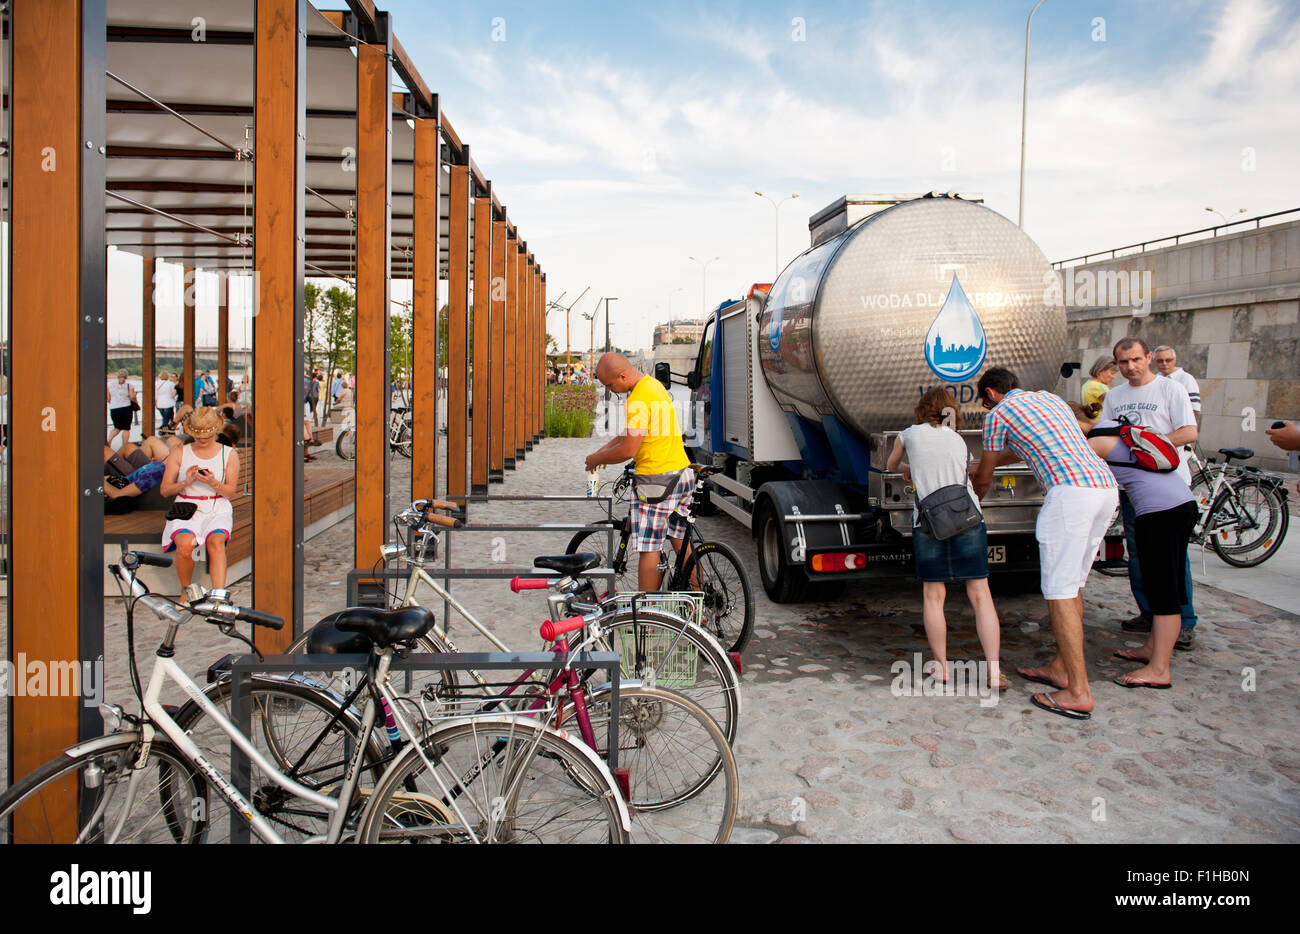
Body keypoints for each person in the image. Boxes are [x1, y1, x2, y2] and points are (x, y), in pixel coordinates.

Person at [970, 367, 1118, 721]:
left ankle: (1078, 692)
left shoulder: (999, 415)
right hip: (1103, 488)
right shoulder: (1050, 401)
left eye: (984, 401)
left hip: (1069, 495)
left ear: (990, 393)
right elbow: (1026, 450)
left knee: (1058, 591)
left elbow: (987, 473)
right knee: (1074, 586)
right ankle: (1060, 668)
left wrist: (974, 494)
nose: (986, 407)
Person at [1069, 401, 1195, 689]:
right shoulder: (1114, 429)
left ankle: (1159, 669)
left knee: (1163, 590)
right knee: (1164, 583)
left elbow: (1070, 470)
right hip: (1181, 504)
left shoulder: (1097, 442)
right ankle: (1153, 649)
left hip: (1159, 513)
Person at [886, 387, 1004, 690]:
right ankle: (993, 671)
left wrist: (909, 470)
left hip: (929, 523)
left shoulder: (908, 434)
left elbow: (890, 466)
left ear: (922, 408)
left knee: (934, 596)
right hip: (967, 518)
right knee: (981, 594)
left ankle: (942, 668)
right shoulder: (958, 438)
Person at [1101, 337, 1199, 650]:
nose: (1130, 367)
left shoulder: (1171, 389)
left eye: (1136, 360)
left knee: (1172, 559)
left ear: (1149, 357)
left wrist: (1149, 447)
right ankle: (1150, 613)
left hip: (1168, 486)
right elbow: (1108, 434)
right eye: (1123, 362)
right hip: (1133, 490)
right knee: (1139, 555)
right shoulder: (1114, 396)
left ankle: (1183, 621)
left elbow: (1189, 431)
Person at [584, 352, 693, 591]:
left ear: (622, 375)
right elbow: (632, 434)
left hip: (657, 481)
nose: (610, 390)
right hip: (682, 474)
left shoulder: (638, 398)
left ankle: (648, 616)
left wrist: (596, 458)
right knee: (680, 542)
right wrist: (604, 449)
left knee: (649, 548)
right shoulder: (653, 386)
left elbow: (629, 449)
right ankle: (702, 605)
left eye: (610, 384)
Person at [158, 407, 240, 603]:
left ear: (216, 432)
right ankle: (186, 592)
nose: (202, 439)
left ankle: (218, 595)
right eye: (197, 435)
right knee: (185, 546)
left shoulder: (228, 454)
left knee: (216, 542)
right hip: (187, 506)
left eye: (208, 435)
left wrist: (213, 482)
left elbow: (230, 492)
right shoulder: (180, 453)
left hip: (216, 505)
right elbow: (165, 490)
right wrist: (185, 482)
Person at [103, 436, 172, 505]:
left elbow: (117, 495)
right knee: (128, 447)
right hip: (146, 470)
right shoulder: (160, 468)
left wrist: (99, 480)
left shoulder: (153, 474)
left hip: (127, 482)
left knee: (105, 451)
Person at [1152, 346, 1201, 424]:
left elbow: (1194, 409)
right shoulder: (1153, 380)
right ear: (1155, 362)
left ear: (1175, 360)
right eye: (1160, 361)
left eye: (1168, 360)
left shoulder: (1186, 379)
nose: (1164, 363)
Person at [106, 369, 138, 447]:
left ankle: (109, 440)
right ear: (126, 376)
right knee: (126, 428)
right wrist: (136, 402)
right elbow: (132, 396)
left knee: (117, 427)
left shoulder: (110, 385)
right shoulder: (129, 385)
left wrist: (114, 403)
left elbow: (108, 398)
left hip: (114, 409)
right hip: (126, 408)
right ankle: (124, 446)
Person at [155, 369, 177, 435]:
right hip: (168, 403)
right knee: (168, 417)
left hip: (159, 403)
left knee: (166, 417)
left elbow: (155, 394)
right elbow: (173, 394)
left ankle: (168, 429)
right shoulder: (171, 384)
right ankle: (163, 429)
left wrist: (155, 403)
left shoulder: (156, 383)